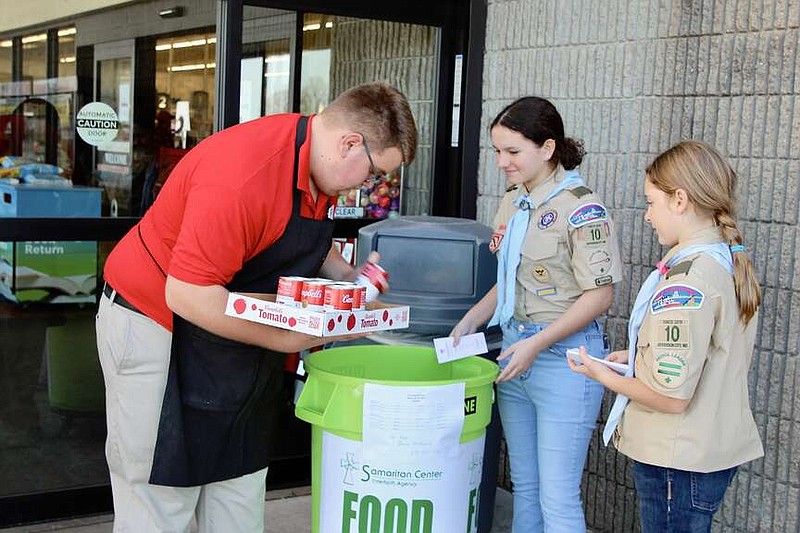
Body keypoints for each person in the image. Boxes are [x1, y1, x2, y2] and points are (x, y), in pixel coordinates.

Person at [95, 82, 417, 532]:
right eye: (373, 173)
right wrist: (288, 336)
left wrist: (347, 278)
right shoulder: (243, 175)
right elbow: (187, 294)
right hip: (156, 321)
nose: (371, 186)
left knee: (237, 489)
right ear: (349, 143)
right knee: (161, 500)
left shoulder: (315, 167)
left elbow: (291, 236)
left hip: (233, 339)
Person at [569, 140, 764, 532]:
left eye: (651, 202)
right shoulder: (721, 261)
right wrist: (639, 356)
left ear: (680, 200)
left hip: (677, 459)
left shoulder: (689, 280)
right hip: (698, 453)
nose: (646, 215)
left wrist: (601, 375)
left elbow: (672, 398)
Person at [451, 96, 622, 531]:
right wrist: (473, 318)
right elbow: (511, 277)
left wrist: (537, 345)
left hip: (563, 359)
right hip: (515, 351)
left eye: (512, 152)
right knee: (525, 486)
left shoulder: (582, 208)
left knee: (558, 497)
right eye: (496, 151)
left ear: (547, 149)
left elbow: (600, 295)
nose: (501, 162)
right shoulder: (513, 200)